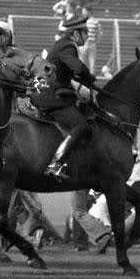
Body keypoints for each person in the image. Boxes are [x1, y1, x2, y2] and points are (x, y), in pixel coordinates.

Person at [31, 16, 96, 181]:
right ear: (75, 33)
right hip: (52, 97)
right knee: (81, 125)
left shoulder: (61, 45)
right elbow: (78, 68)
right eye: (85, 32)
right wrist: (89, 78)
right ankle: (56, 164)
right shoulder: (67, 46)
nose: (88, 36)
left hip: (52, 94)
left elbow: (70, 71)